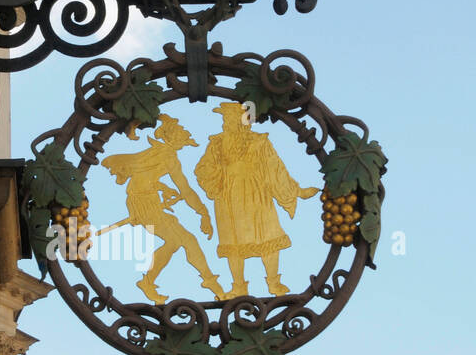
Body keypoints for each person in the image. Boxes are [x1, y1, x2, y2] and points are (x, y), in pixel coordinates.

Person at [195, 101, 318, 297]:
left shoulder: (259, 141)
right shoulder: (217, 143)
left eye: (228, 117)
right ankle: (238, 287)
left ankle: (273, 282)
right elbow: (203, 168)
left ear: (241, 120)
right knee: (233, 243)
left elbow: (275, 168)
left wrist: (297, 191)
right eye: (224, 118)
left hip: (256, 193)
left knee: (268, 237)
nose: (225, 122)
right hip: (228, 196)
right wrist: (217, 180)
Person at [102, 114, 224, 304]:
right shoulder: (167, 156)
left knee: (178, 241)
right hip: (144, 203)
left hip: (146, 200)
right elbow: (186, 190)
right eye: (182, 136)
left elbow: (145, 176)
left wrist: (162, 188)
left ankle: (205, 282)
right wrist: (203, 213)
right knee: (183, 240)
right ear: (173, 137)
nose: (185, 140)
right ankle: (151, 282)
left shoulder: (162, 153)